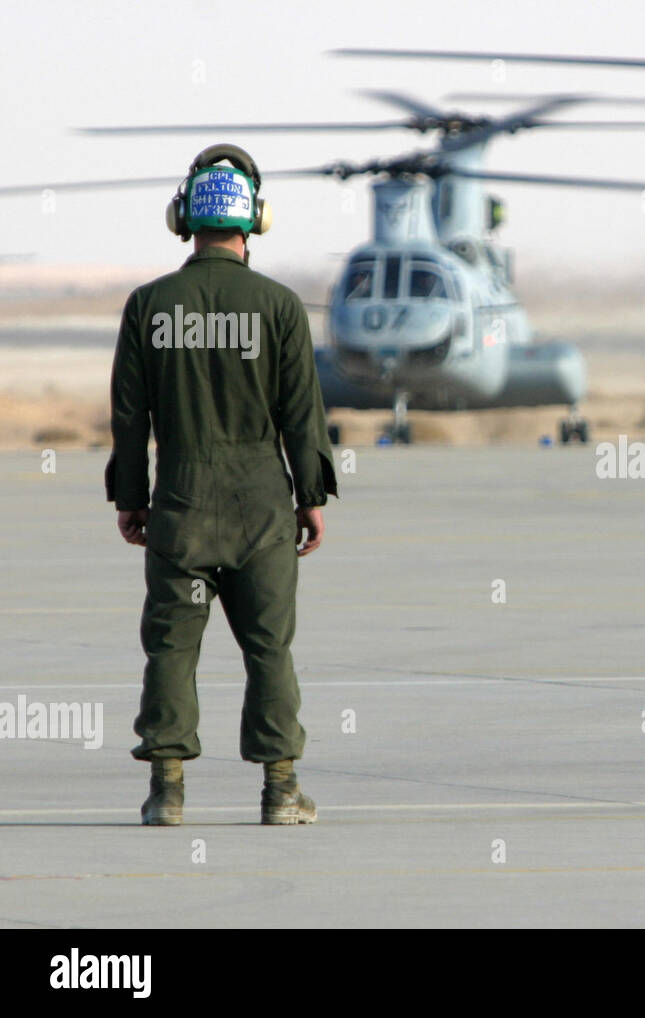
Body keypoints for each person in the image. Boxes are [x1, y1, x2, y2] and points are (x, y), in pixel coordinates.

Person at [107, 144, 337, 826]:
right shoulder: (280, 305)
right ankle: (280, 792)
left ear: (183, 218)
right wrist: (312, 500)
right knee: (269, 649)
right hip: (262, 507)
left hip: (179, 503)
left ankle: (167, 794)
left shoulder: (149, 304)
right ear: (254, 220)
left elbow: (128, 416)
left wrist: (132, 499)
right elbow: (304, 418)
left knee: (171, 648)